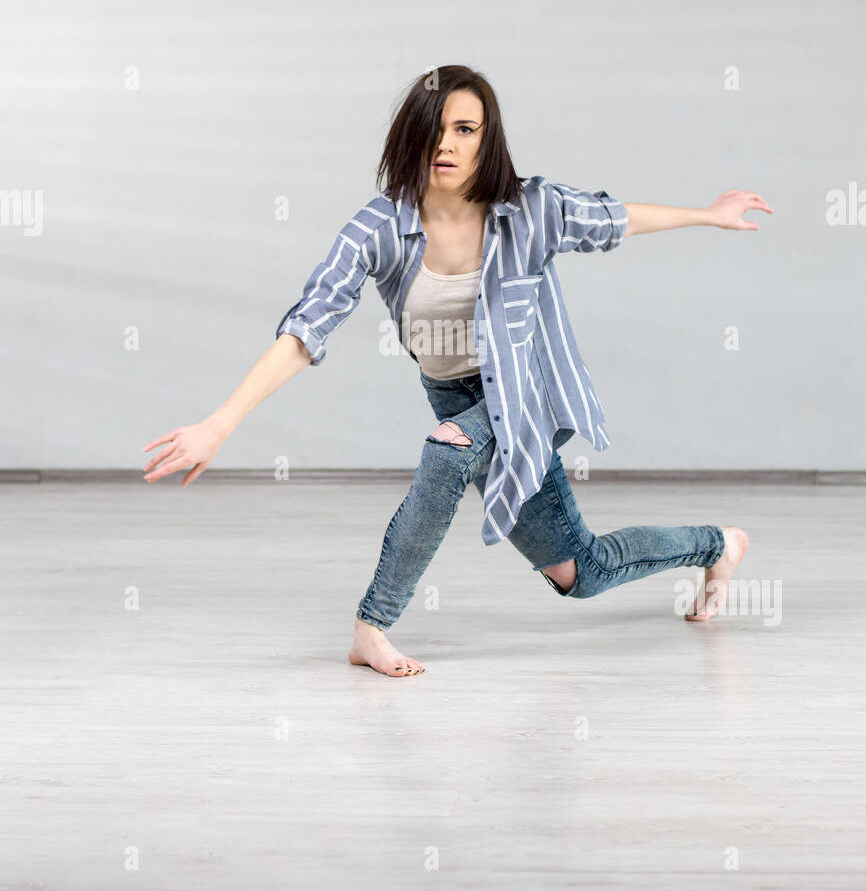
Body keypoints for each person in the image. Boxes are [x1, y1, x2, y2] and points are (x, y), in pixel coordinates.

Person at [143, 65, 771, 678]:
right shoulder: (381, 227)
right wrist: (221, 422)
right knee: (580, 572)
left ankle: (372, 627)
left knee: (447, 455)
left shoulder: (529, 209)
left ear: (486, 139)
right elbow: (307, 329)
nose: (447, 143)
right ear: (411, 136)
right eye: (435, 128)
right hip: (453, 395)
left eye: (466, 129)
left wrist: (707, 213)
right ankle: (720, 544)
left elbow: (617, 218)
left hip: (531, 394)